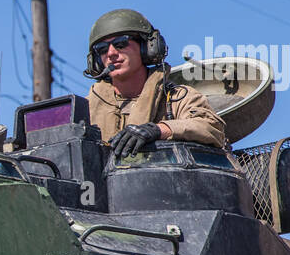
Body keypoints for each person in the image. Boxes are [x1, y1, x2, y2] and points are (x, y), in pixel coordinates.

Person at [83, 9, 226, 158]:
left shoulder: (177, 98)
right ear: (96, 61)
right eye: (102, 49)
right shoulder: (84, 109)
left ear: (148, 47)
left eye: (121, 44)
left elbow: (212, 128)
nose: (111, 53)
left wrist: (159, 130)